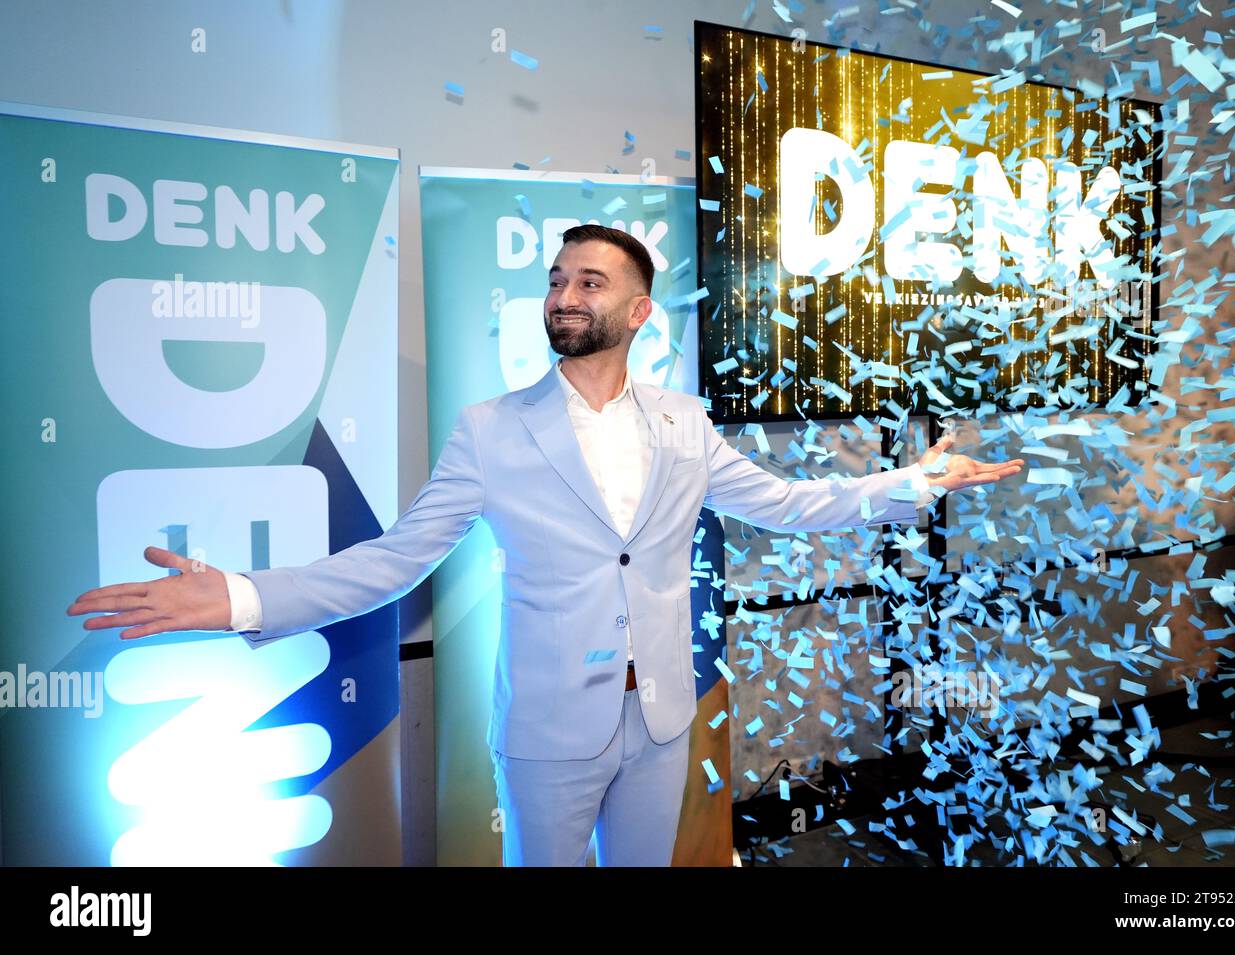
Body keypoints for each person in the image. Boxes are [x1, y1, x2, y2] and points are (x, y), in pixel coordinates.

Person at [67, 223, 1025, 866]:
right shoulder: (489, 429)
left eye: (589, 282)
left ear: (639, 312)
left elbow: (787, 503)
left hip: (660, 721)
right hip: (546, 736)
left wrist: (907, 485)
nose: (565, 294)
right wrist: (240, 597)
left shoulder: (686, 422)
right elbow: (396, 560)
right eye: (557, 280)